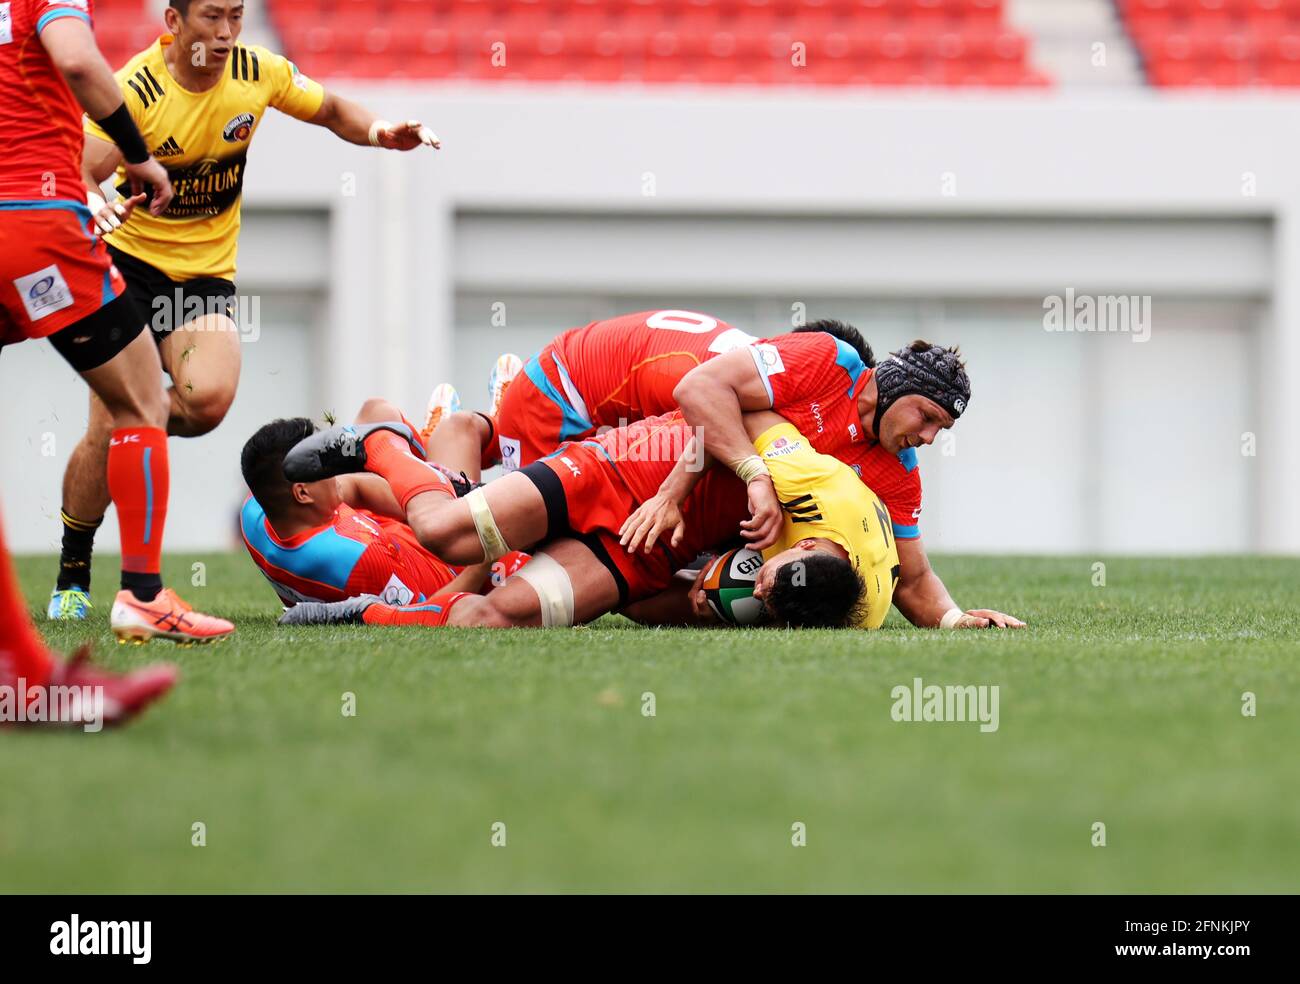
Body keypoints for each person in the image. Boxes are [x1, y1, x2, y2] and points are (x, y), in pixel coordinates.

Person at [48, 0, 442, 620]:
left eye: (235, 16)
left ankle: (131, 425)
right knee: (111, 424)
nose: (227, 32)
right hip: (125, 269)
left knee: (206, 403)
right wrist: (97, 198)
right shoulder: (137, 89)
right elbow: (81, 168)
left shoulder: (258, 73)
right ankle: (73, 572)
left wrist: (378, 132)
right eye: (212, 18)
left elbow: (333, 110)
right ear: (173, 23)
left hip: (203, 277)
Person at [1, 0, 232, 643]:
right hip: (33, 221)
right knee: (140, 404)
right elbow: (76, 60)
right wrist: (138, 154)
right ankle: (143, 596)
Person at [276, 406, 898, 631]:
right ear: (807, 542)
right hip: (626, 472)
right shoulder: (821, 487)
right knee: (447, 536)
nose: (762, 574)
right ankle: (385, 440)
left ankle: (366, 614)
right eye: (772, 568)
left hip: (645, 551)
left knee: (482, 617)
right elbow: (718, 414)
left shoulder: (856, 611)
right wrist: (695, 490)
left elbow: (911, 574)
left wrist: (719, 602)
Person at [672, 333, 1026, 630]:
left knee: (722, 597)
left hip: (739, 536)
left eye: (941, 428)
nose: (930, 437)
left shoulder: (900, 473)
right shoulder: (830, 360)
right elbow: (701, 388)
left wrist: (956, 620)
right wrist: (678, 493)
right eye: (927, 416)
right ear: (898, 387)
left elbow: (913, 580)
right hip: (677, 456)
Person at [239, 394, 526, 608]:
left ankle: (432, 461)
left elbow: (358, 488)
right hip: (455, 558)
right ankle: (510, 437)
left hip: (405, 528)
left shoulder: (256, 510)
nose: (332, 467)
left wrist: (431, 498)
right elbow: (428, 612)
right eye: (322, 464)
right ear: (302, 493)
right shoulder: (354, 560)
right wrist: (485, 551)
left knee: (376, 411)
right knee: (460, 427)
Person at [493, 309, 871, 471]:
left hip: (586, 393)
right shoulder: (723, 386)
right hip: (557, 396)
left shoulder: (754, 368)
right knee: (510, 562)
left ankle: (491, 421)